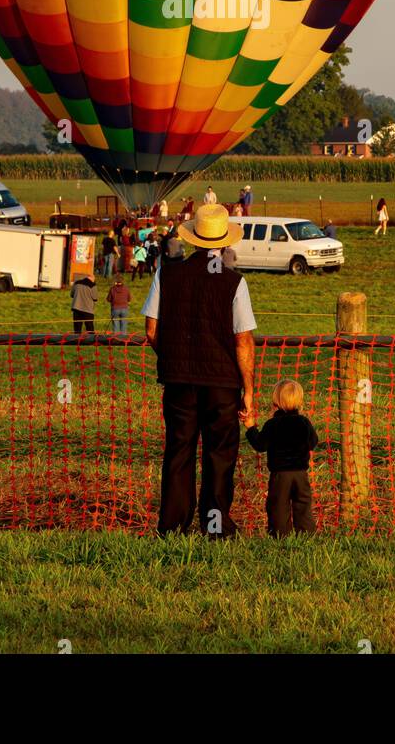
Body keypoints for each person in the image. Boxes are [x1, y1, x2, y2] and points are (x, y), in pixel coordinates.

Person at [142, 202, 256, 538]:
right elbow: (243, 341)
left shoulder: (167, 273)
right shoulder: (234, 282)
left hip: (178, 381)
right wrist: (248, 389)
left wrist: (174, 356)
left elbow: (151, 330)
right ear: (224, 243)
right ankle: (216, 526)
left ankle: (173, 527)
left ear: (192, 240)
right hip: (222, 384)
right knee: (219, 455)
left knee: (180, 450)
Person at [244, 378, 318, 536]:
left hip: (280, 475)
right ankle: (306, 533)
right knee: (303, 504)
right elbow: (313, 442)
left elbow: (260, 445)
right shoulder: (304, 422)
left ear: (275, 402)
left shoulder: (272, 424)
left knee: (278, 505)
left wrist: (250, 427)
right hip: (300, 474)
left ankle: (280, 534)